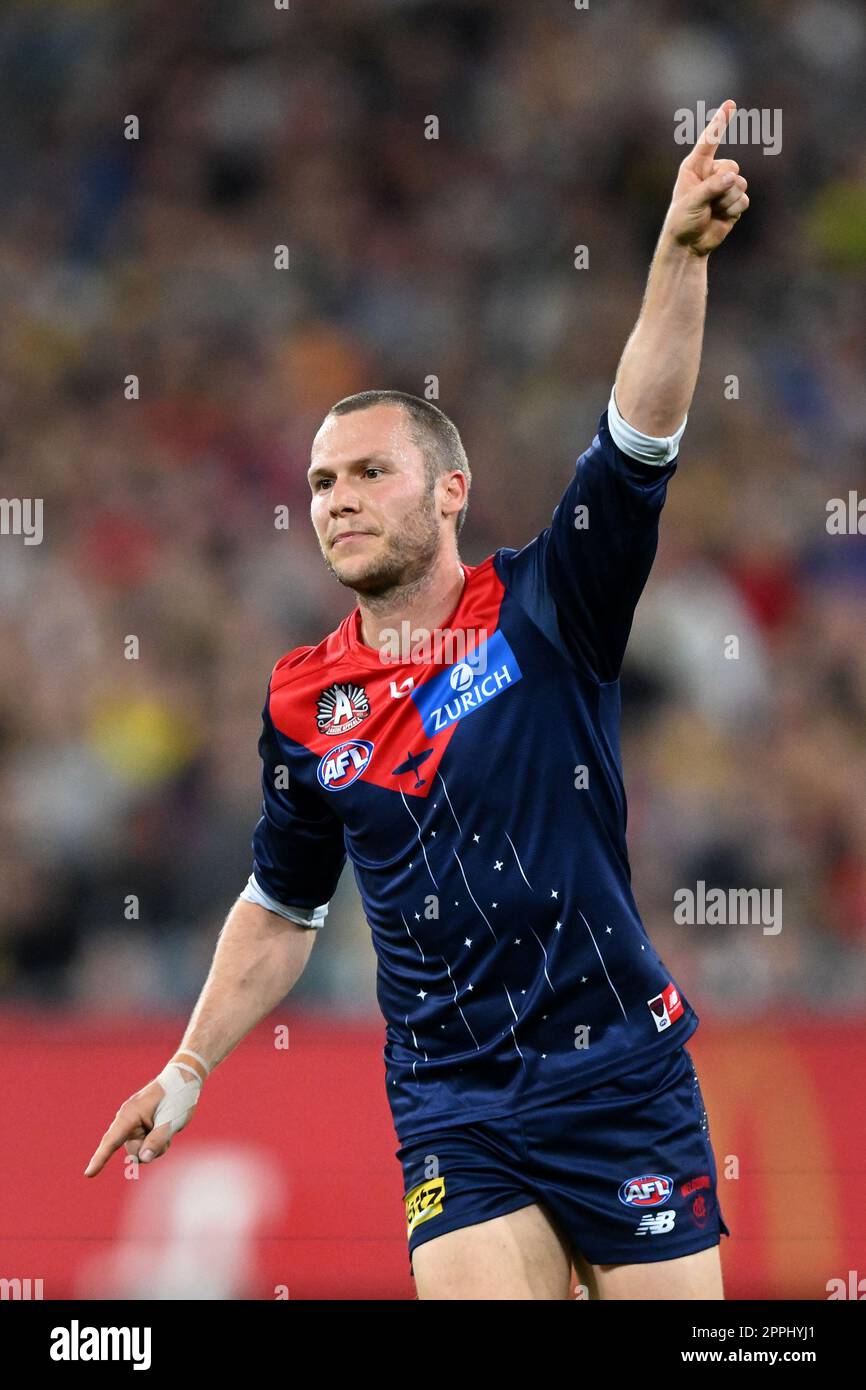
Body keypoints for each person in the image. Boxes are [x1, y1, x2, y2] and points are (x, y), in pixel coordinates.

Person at [85, 102, 749, 1301]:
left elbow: (636, 434)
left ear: (449, 488)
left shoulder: (550, 602)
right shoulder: (300, 701)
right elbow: (281, 906)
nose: (336, 497)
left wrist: (673, 259)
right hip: (454, 1102)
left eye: (369, 472)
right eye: (319, 481)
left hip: (619, 1073)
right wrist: (187, 1066)